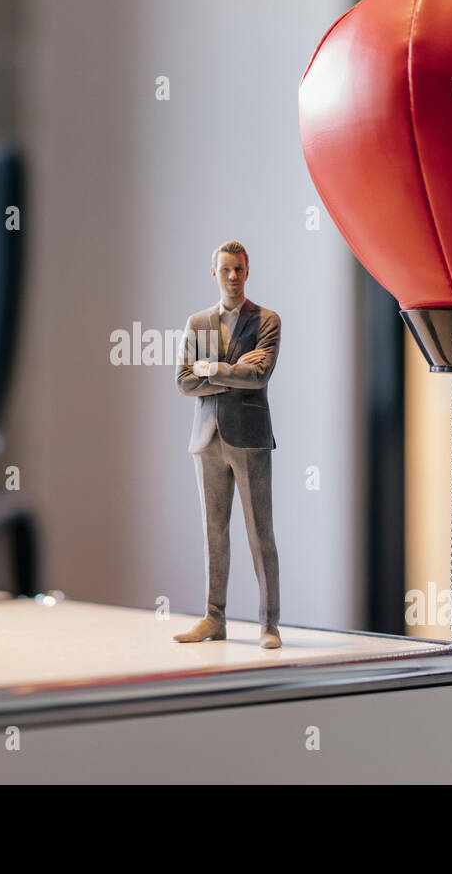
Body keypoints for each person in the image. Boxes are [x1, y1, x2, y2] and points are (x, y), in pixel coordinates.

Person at [174, 241, 282, 649]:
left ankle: (269, 624)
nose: (232, 277)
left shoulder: (266, 319)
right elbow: (184, 381)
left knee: (260, 533)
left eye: (238, 269)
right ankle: (213, 617)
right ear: (214, 274)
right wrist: (234, 371)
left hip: (250, 438)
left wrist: (212, 370)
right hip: (207, 438)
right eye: (225, 270)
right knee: (213, 531)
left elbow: (259, 375)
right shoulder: (198, 323)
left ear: (248, 271)